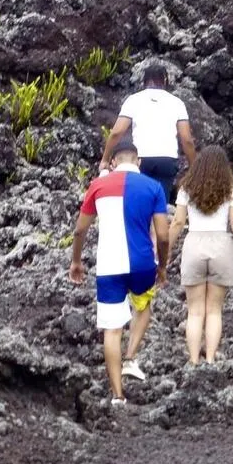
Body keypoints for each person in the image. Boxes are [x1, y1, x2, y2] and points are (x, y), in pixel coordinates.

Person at [69, 139, 170, 405]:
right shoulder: (153, 187)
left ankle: (117, 396)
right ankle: (130, 357)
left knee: (111, 331)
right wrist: (162, 265)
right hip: (142, 265)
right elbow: (162, 234)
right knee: (143, 305)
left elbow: (80, 230)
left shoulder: (97, 186)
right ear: (138, 162)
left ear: (113, 162)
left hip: (108, 267)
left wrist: (76, 261)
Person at [168, 145, 233, 366]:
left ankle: (194, 361)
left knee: (194, 312)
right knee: (214, 311)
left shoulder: (187, 187)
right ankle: (211, 359)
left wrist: (165, 251)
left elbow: (177, 222)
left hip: (193, 244)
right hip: (221, 246)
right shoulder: (231, 188)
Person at [98, 64, 196, 206]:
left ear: (144, 81)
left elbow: (117, 133)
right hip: (167, 160)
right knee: (159, 205)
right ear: (165, 80)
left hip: (140, 159)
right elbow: (187, 140)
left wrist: (105, 159)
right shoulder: (177, 103)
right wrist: (194, 167)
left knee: (139, 204)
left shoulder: (133, 100)